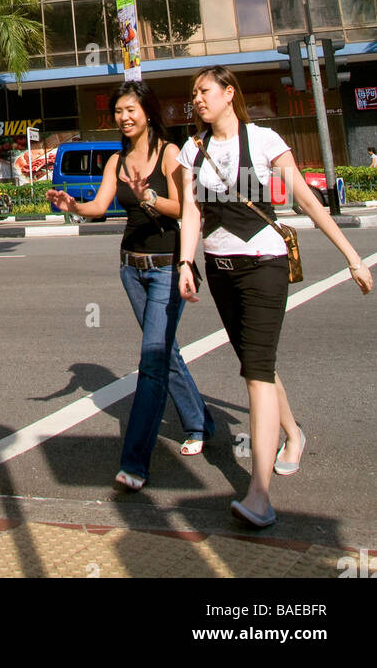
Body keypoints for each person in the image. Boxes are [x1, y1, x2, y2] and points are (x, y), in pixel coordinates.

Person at [178, 66, 373, 529]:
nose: (197, 100)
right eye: (194, 95)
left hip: (265, 264)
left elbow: (306, 199)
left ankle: (260, 494)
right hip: (219, 268)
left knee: (257, 372)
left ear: (229, 93)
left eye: (204, 92)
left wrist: (353, 257)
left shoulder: (265, 140)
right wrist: (186, 264)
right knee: (253, 360)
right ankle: (293, 434)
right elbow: (191, 211)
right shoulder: (193, 148)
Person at [48, 81, 213, 491]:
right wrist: (74, 206)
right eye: (118, 111)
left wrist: (150, 198)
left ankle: (135, 462)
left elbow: (184, 208)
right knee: (164, 351)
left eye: (130, 110)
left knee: (152, 361)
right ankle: (200, 422)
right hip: (131, 269)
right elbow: (99, 208)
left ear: (147, 112)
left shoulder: (169, 153)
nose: (124, 117)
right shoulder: (115, 162)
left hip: (165, 267)